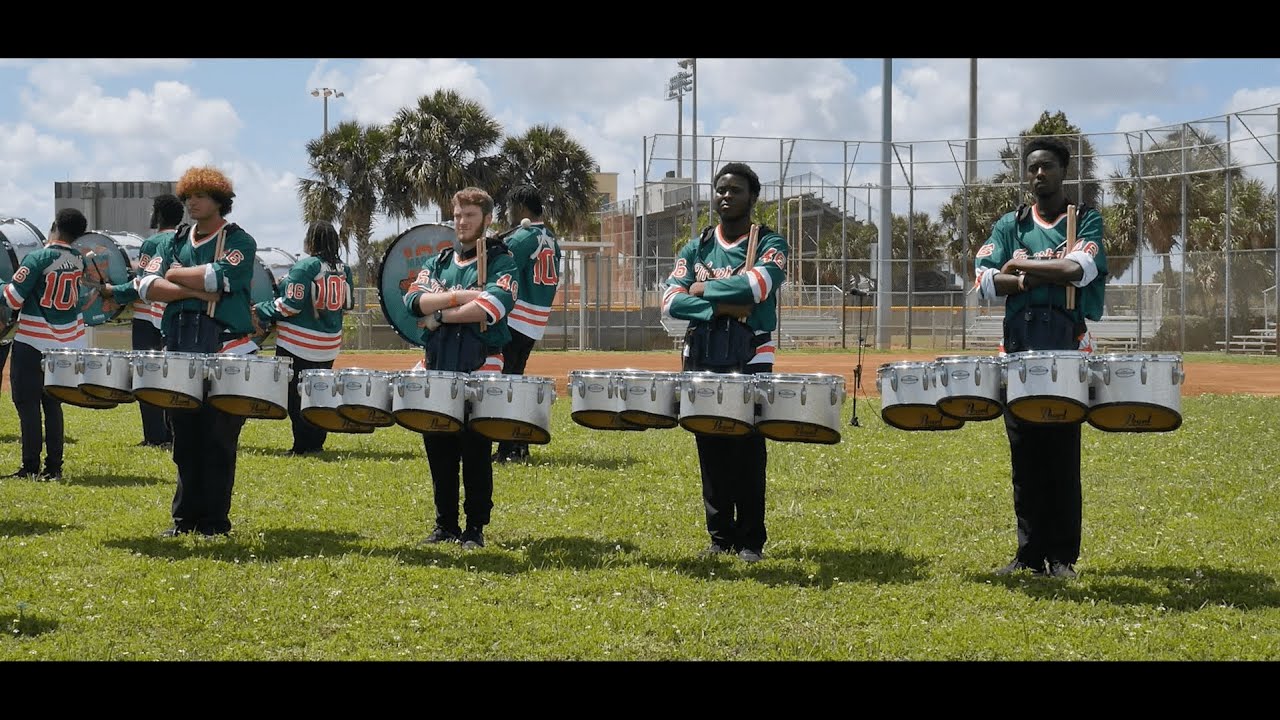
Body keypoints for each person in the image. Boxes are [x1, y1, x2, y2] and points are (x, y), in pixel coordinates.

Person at [974, 136, 1109, 580]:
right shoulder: (1008, 224)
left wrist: (1021, 269)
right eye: (1032, 167)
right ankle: (1029, 554)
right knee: (1025, 457)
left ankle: (1063, 558)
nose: (1038, 174)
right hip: (1017, 349)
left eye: (1047, 166)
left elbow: (1078, 269)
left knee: (1062, 458)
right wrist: (1033, 273)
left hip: (1066, 349)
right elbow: (987, 283)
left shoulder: (1084, 220)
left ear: (1063, 171)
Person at [662, 162, 788, 564]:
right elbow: (669, 300)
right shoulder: (696, 246)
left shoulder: (770, 243)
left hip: (750, 356)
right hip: (702, 355)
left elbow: (758, 286)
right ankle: (720, 538)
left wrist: (702, 289)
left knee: (747, 446)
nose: (726, 196)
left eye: (735, 190)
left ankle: (751, 540)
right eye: (720, 189)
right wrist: (726, 308)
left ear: (753, 196)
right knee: (710, 442)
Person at [404, 187, 517, 550]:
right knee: (438, 444)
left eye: (469, 216)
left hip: (481, 365)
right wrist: (458, 297)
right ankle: (445, 525)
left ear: (487, 219)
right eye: (457, 216)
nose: (462, 223)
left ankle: (475, 528)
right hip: (437, 364)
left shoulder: (501, 261)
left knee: (476, 447)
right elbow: (412, 301)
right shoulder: (438, 262)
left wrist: (439, 314)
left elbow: (491, 307)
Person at [151, 166, 258, 537]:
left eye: (200, 196)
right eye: (187, 196)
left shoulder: (240, 240)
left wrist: (176, 275)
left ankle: (214, 521)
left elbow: (222, 278)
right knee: (183, 436)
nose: (191, 202)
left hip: (227, 349)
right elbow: (147, 284)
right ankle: (185, 519)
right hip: (179, 347)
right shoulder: (175, 238)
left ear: (219, 201)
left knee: (218, 437)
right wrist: (195, 288)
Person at [0, 209, 91, 480]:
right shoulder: (78, 260)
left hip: (33, 340)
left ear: (54, 227)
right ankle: (54, 467)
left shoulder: (38, 257)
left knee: (27, 405)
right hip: (65, 343)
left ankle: (30, 466)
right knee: (53, 405)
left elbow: (12, 299)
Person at [252, 221, 352, 455]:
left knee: (296, 396)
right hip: (329, 342)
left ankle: (303, 445)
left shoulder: (305, 266)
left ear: (311, 240)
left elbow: (290, 306)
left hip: (299, 342)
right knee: (318, 392)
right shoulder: (343, 268)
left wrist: (262, 308)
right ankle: (317, 442)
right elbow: (347, 305)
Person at [493, 184, 561, 464]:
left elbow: (498, 267)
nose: (508, 212)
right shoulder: (551, 238)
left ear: (521, 208)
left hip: (516, 317)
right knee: (515, 378)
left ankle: (511, 446)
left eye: (510, 207)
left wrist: (494, 245)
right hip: (536, 319)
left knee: (506, 382)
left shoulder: (522, 237)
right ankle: (518, 444)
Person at [132, 194, 185, 447]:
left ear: (159, 214)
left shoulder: (152, 242)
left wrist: (111, 291)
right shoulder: (185, 239)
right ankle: (173, 432)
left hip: (147, 316)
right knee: (172, 375)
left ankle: (154, 435)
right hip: (176, 316)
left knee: (147, 375)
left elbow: (140, 281)